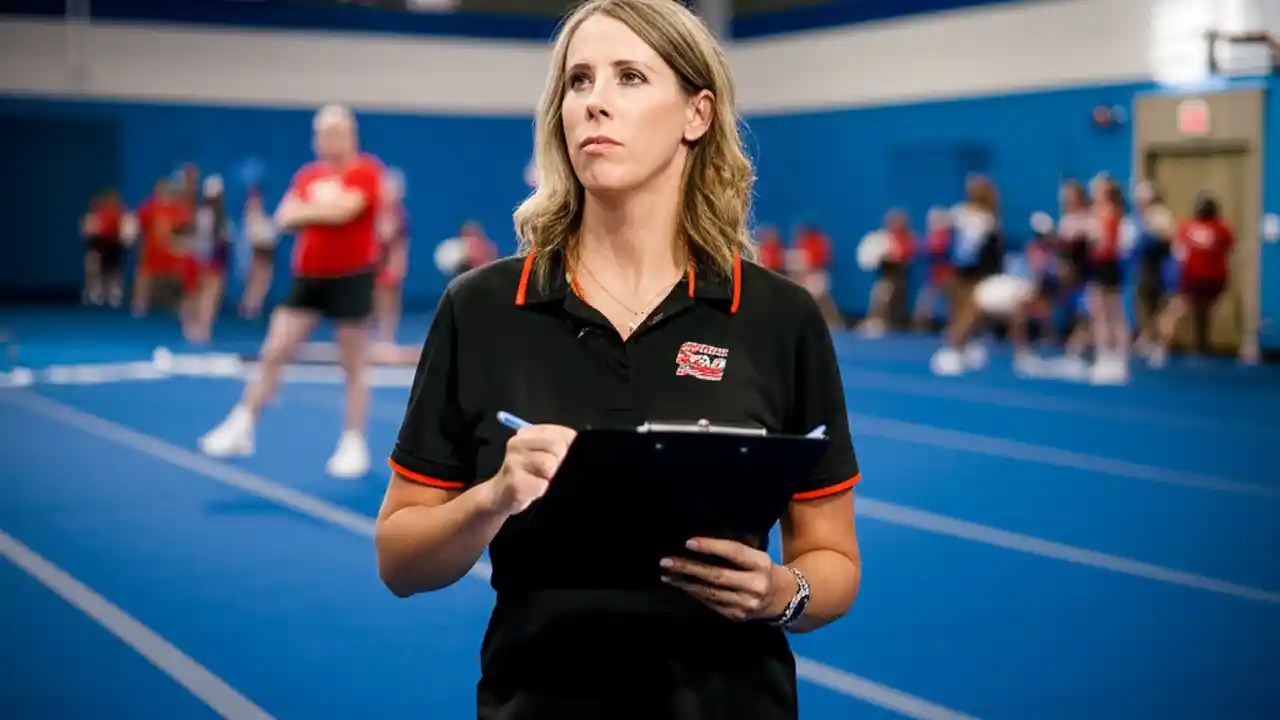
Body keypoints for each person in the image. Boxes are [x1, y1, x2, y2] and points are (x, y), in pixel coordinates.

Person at [374, 2, 862, 717]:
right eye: (577, 81)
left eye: (629, 77)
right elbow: (399, 559)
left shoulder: (778, 318)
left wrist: (783, 593)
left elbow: (834, 559)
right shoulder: (481, 309)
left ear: (696, 115)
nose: (593, 102)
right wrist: (493, 499)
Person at [199, 104, 383, 478]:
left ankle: (353, 442)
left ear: (350, 135)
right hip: (308, 277)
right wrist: (316, 208)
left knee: (353, 364)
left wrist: (311, 209)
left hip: (352, 276)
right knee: (274, 350)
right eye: (322, 134)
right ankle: (243, 423)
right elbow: (285, 215)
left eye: (336, 133)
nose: (329, 140)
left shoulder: (366, 170)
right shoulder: (307, 174)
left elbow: (344, 212)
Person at [1148, 192, 1235, 368]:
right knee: (1202, 312)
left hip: (1193, 277)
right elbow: (1228, 249)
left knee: (1178, 311)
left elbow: (1176, 248)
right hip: (1215, 279)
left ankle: (1163, 346)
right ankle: (1201, 345)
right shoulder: (1223, 229)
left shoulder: (1186, 227)